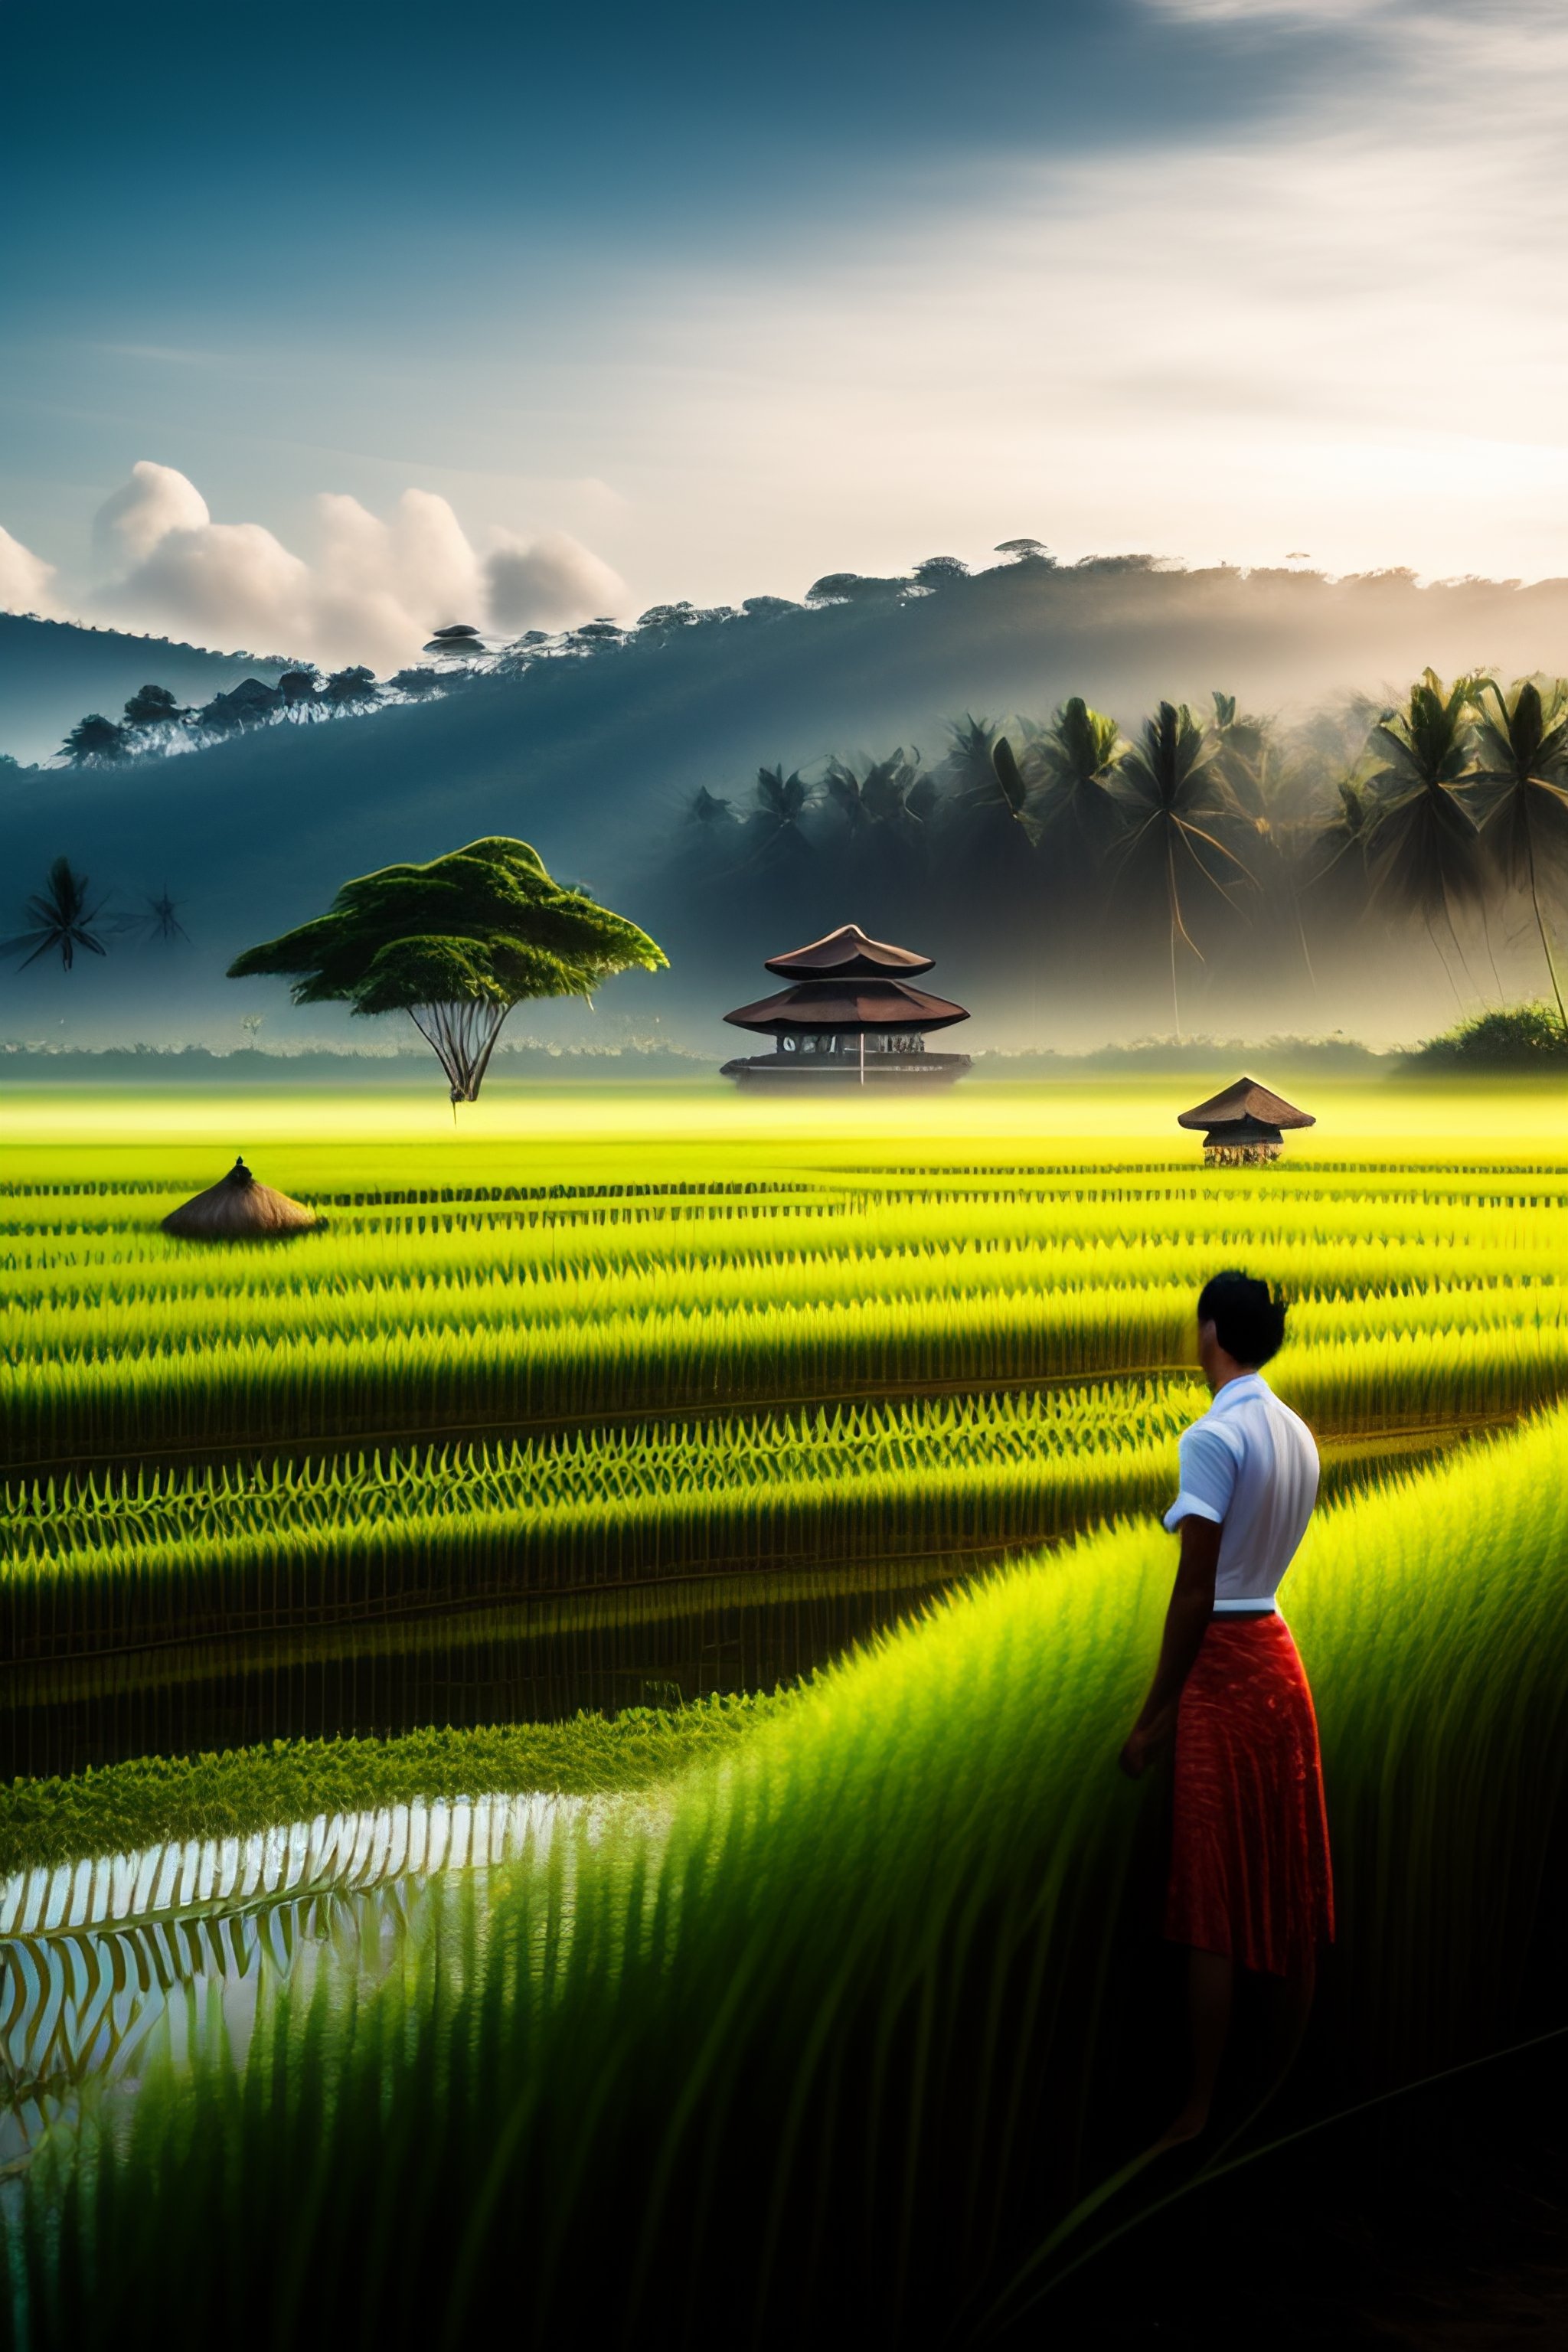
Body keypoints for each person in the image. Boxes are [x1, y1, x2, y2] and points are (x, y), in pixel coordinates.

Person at [1119, 1269, 1334, 2148]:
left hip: (1225, 1662)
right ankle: (1275, 2090)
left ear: (1209, 1332)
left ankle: (1199, 2108)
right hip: (1281, 1661)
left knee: (1209, 1896)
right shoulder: (1295, 1431)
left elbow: (1195, 1591)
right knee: (1287, 1881)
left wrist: (1152, 1716)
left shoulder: (1212, 1435)